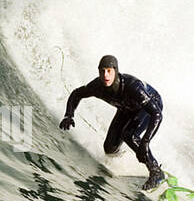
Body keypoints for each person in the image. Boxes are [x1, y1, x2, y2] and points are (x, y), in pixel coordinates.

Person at [59, 55, 165, 190]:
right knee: (109, 148)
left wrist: (145, 141)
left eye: (109, 71)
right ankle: (128, 157)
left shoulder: (133, 87)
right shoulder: (97, 86)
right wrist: (69, 115)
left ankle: (156, 171)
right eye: (102, 71)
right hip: (126, 109)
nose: (105, 75)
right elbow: (76, 94)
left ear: (116, 70)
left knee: (130, 135)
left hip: (150, 105)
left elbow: (156, 114)